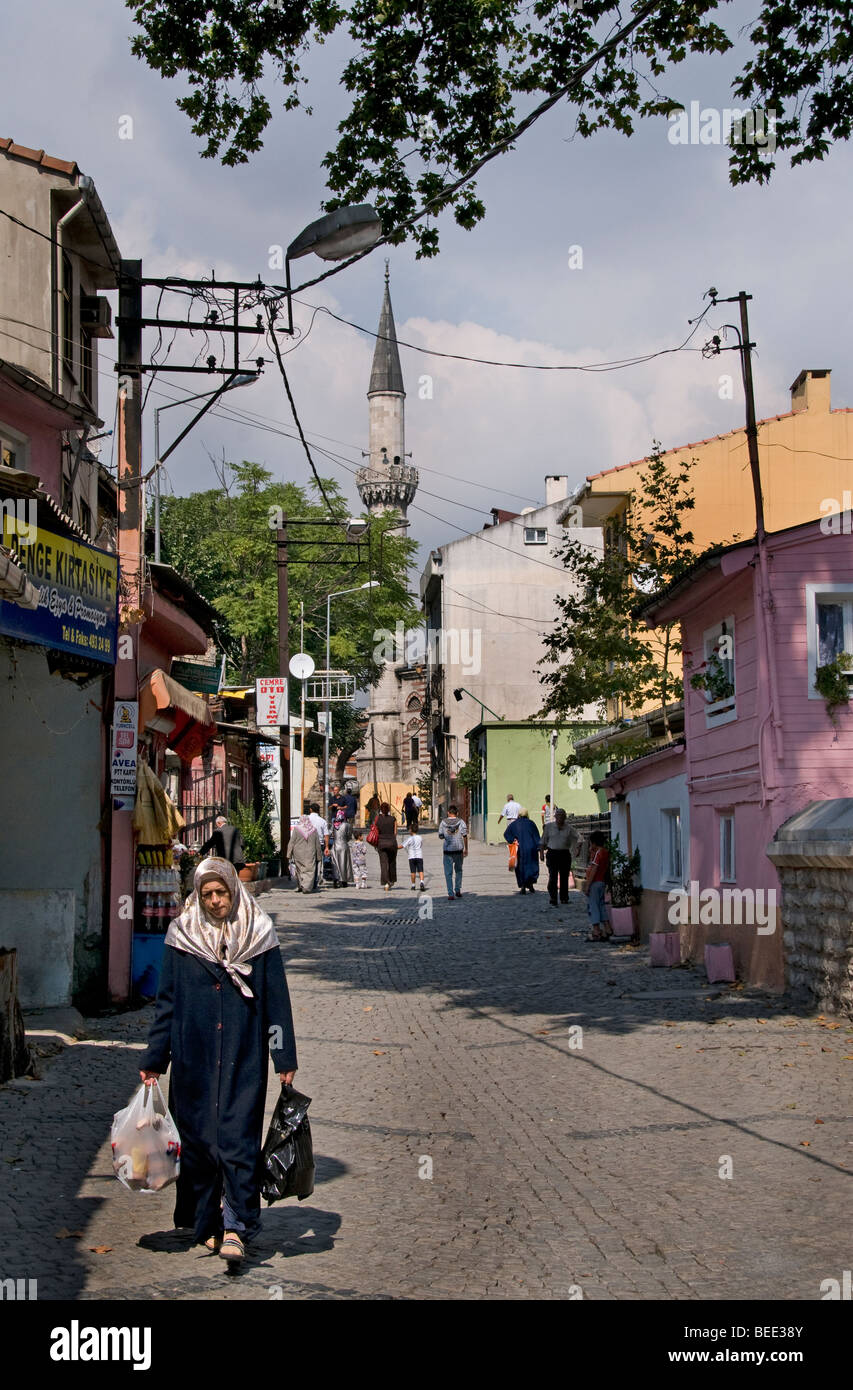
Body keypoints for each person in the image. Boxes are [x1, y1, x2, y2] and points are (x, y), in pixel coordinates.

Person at [138, 857, 297, 1264]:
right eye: (206, 894)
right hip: (194, 1056)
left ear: (233, 891)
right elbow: (167, 1002)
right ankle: (207, 1222)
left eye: (221, 893)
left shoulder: (259, 934)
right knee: (200, 1144)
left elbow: (276, 1001)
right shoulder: (181, 935)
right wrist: (156, 1058)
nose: (214, 901)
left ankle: (237, 1226)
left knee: (238, 1140)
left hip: (244, 1054)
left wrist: (283, 1056)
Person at [539, 807, 581, 907]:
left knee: (564, 877)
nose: (560, 817)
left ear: (565, 817)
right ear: (555, 817)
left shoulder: (569, 828)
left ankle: (564, 898)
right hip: (552, 853)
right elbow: (543, 841)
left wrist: (578, 848)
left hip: (564, 854)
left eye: (562, 816)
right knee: (553, 876)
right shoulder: (549, 827)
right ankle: (553, 897)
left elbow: (579, 837)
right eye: (558, 815)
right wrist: (541, 853)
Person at [584, 831, 613, 941]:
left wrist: (587, 885)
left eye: (591, 844)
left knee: (593, 906)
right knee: (601, 905)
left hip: (595, 883)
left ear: (594, 843)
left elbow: (593, 869)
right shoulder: (606, 852)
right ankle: (608, 928)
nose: (591, 846)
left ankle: (596, 930)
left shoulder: (598, 853)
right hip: (602, 882)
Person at [504, 808, 541, 893]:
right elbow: (536, 836)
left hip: (520, 848)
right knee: (531, 866)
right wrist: (539, 848)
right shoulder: (531, 823)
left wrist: (513, 840)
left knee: (521, 867)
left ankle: (523, 886)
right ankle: (531, 885)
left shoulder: (514, 824)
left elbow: (506, 834)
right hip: (531, 848)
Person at [438, 804, 468, 899]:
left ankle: (451, 894)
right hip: (459, 850)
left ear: (448, 813)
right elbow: (465, 835)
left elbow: (441, 835)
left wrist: (447, 835)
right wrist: (466, 848)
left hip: (448, 851)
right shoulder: (461, 822)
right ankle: (458, 889)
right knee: (459, 871)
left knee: (448, 873)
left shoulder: (443, 823)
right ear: (457, 813)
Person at [287, 814, 322, 892]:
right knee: (309, 870)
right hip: (310, 853)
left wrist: (289, 854)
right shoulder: (313, 830)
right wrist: (319, 856)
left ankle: (301, 885)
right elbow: (317, 844)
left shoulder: (297, 829)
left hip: (298, 853)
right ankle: (306, 887)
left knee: (299, 870)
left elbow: (292, 842)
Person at [373, 801, 399, 890]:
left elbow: (375, 832)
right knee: (392, 863)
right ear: (388, 810)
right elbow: (395, 833)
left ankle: (386, 883)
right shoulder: (393, 819)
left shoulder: (377, 819)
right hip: (392, 843)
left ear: (381, 810)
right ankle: (391, 881)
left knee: (384, 864)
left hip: (381, 843)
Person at [497, 792, 523, 872]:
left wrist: (499, 820)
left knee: (510, 837)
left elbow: (502, 814)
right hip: (517, 821)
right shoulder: (518, 805)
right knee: (517, 837)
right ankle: (517, 849)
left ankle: (512, 851)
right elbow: (521, 813)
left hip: (509, 821)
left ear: (508, 799)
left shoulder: (507, 805)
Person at [307, 802, 329, 889]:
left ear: (310, 810)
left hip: (307, 843)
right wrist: (327, 847)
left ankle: (308, 881)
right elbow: (326, 835)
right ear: (318, 811)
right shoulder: (323, 821)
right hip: (319, 844)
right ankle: (315, 882)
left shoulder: (306, 820)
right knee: (317, 863)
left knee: (308, 863)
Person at [330, 805, 353, 888]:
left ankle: (335, 881)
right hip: (343, 845)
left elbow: (330, 833)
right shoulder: (347, 825)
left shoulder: (334, 824)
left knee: (335, 864)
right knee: (344, 863)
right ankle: (344, 881)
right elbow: (349, 836)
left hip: (335, 846)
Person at [403, 826, 425, 891]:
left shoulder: (409, 838)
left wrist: (395, 847)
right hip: (419, 856)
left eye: (409, 830)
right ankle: (421, 882)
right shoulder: (420, 837)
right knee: (421, 870)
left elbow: (402, 845)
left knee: (413, 872)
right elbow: (421, 845)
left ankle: (413, 885)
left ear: (411, 831)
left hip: (412, 857)